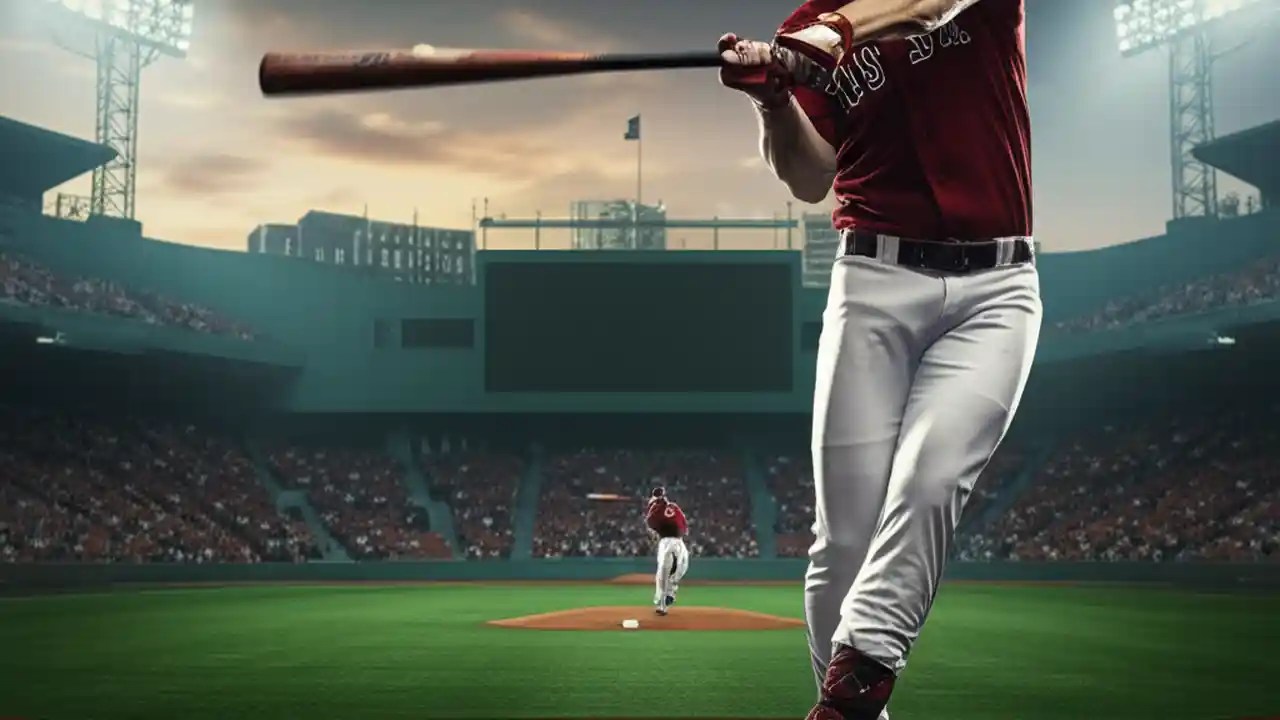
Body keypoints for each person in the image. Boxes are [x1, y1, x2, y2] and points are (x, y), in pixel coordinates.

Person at [719, 1, 1041, 718]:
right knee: (843, 546)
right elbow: (809, 177)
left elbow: (930, 6)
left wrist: (835, 36)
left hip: (996, 289)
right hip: (874, 281)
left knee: (931, 480)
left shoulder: (835, 24)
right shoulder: (809, 18)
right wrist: (775, 101)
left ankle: (853, 691)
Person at [644, 486, 689, 615]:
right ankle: (671, 592)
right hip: (679, 542)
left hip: (666, 542)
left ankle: (662, 602)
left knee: (663, 572)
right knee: (682, 567)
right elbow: (684, 525)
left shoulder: (654, 506)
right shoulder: (674, 506)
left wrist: (655, 531)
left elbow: (649, 521)